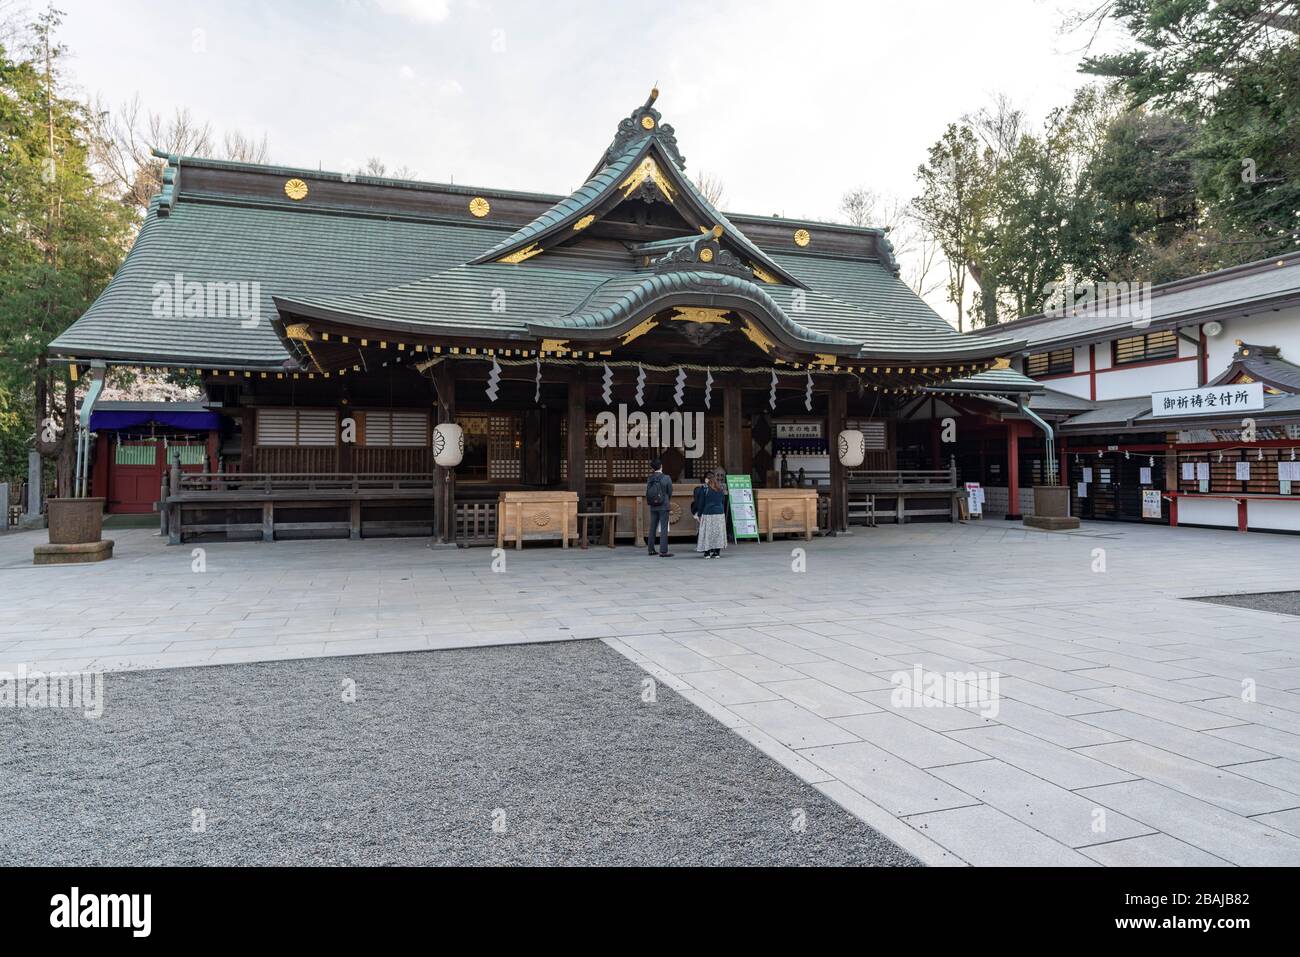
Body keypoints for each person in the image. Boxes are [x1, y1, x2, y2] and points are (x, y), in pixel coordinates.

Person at [695, 470, 728, 558]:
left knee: (707, 533)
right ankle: (717, 553)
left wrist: (699, 514)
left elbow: (701, 503)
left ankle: (707, 552)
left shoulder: (704, 489)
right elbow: (722, 501)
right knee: (718, 533)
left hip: (708, 513)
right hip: (719, 513)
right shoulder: (720, 489)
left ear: (707, 479)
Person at [645, 457, 673, 557]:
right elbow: (669, 492)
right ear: (661, 466)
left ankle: (651, 549)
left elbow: (648, 492)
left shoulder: (650, 478)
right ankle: (663, 551)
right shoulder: (666, 478)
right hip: (664, 505)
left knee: (652, 527)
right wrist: (666, 499)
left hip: (653, 505)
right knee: (663, 528)